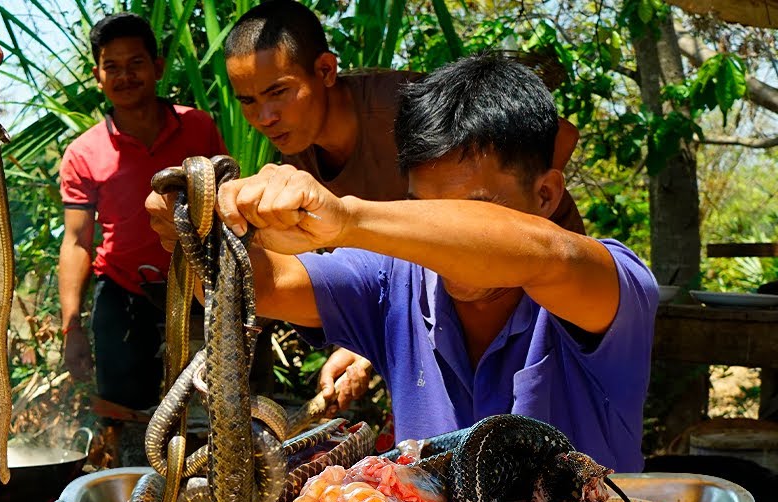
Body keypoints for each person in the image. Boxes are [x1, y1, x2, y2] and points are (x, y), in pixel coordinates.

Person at [147, 53, 658, 472]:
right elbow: (263, 283)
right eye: (423, 209)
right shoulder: (394, 281)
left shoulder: (610, 286)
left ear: (546, 195)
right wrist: (195, 222)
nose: (444, 240)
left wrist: (347, 218)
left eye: (471, 211)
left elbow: (548, 255)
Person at [220, 0, 588, 415]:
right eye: (248, 101)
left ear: (325, 70)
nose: (265, 117)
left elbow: (561, 134)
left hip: (539, 304)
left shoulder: (400, 107)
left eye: (278, 92)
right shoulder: (296, 160)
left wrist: (516, 213)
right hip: (449, 305)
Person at [58, 13, 228, 423]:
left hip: (199, 289)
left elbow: (225, 206)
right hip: (123, 294)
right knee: (126, 419)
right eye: (111, 67)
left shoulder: (198, 128)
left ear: (158, 67)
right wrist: (71, 328)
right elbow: (77, 242)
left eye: (135, 63)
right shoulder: (83, 153)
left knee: (210, 410)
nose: (124, 76)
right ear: (98, 76)